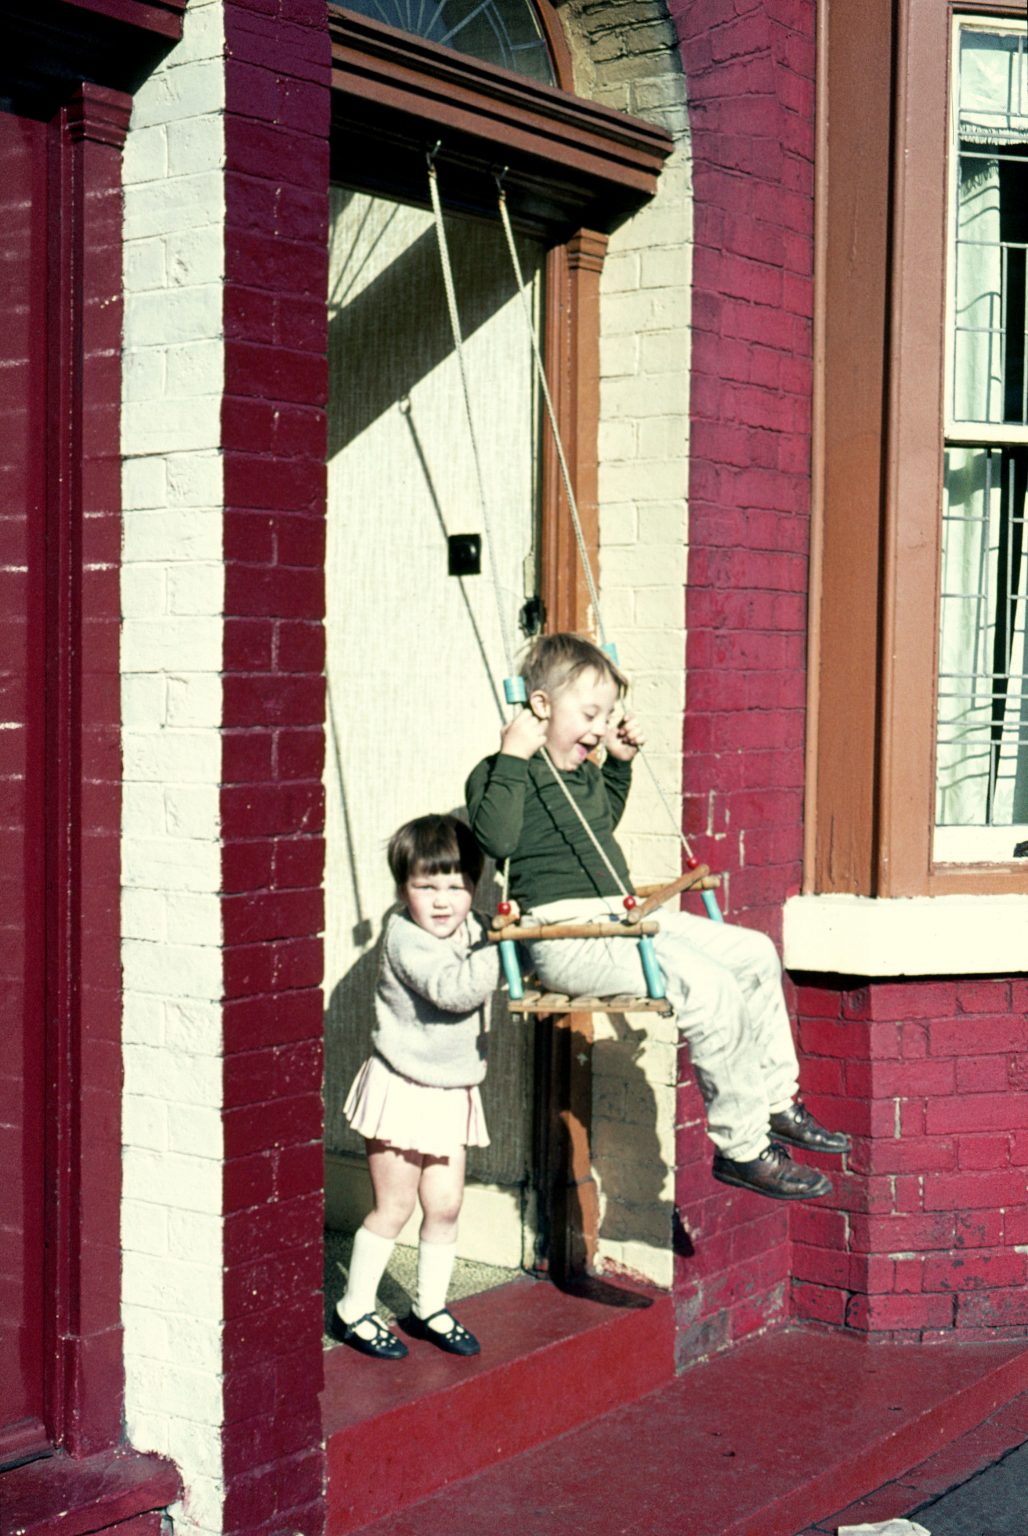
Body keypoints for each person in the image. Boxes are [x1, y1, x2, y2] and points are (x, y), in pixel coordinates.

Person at [465, 632, 849, 1203]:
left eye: (607, 716)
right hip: (566, 935)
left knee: (751, 954)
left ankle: (775, 1102)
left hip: (617, 921)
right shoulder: (500, 771)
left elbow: (597, 825)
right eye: (589, 714)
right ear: (540, 706)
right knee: (709, 985)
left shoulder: (581, 773)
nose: (599, 728)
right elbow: (495, 837)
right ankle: (743, 1149)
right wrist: (514, 757)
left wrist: (616, 767)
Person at [334, 814, 506, 1360]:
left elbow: (488, 945)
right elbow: (454, 990)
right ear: (402, 888)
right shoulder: (404, 939)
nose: (441, 901)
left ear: (473, 888)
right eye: (425, 886)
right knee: (395, 1208)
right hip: (402, 1088)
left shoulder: (477, 927)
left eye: (456, 886)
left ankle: (428, 1306)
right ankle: (353, 1308)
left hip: (450, 1092)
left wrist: (506, 932)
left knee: (447, 1205)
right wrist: (505, 948)